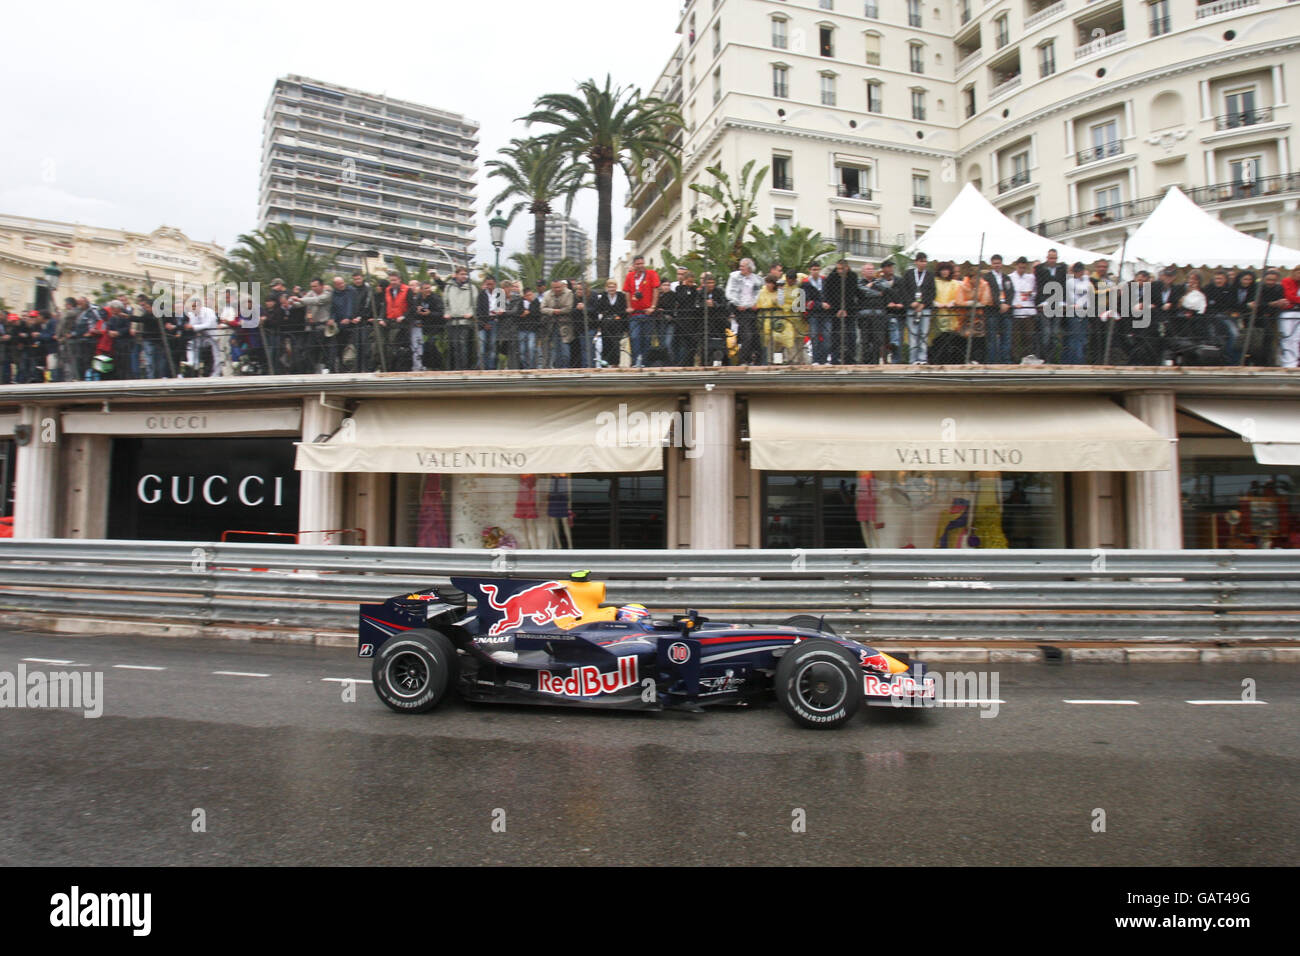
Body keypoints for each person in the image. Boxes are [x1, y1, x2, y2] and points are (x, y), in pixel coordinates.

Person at [892, 253, 935, 364]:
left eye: (925, 261)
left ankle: (922, 358)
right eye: (921, 261)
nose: (923, 263)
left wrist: (923, 304)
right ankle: (913, 359)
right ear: (916, 262)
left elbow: (932, 292)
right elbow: (904, 290)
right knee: (913, 334)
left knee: (924, 334)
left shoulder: (930, 275)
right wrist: (911, 303)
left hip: (925, 308)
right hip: (912, 308)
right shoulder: (909, 274)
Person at [623, 256, 661, 368]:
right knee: (634, 337)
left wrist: (653, 306)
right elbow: (627, 292)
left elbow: (656, 289)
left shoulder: (651, 274)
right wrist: (629, 306)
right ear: (634, 265)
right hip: (634, 314)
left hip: (647, 313)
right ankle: (635, 361)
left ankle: (645, 362)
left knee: (647, 338)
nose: (640, 265)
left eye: (641, 263)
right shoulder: (630, 276)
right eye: (637, 264)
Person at [725, 257, 763, 365]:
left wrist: (756, 303)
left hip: (752, 310)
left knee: (754, 334)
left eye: (743, 266)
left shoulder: (756, 279)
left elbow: (758, 293)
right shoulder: (735, 277)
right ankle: (743, 360)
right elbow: (730, 292)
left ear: (749, 268)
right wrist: (737, 304)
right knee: (747, 334)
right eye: (740, 266)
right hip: (740, 310)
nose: (740, 268)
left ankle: (755, 359)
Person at [1034, 248, 1068, 361]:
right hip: (1045, 304)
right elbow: (1040, 286)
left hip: (1058, 304)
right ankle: (1044, 358)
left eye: (1054, 258)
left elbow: (1063, 286)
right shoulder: (1040, 268)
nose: (1052, 260)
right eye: (1050, 258)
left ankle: (1054, 358)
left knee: (1055, 333)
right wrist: (1042, 302)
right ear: (1047, 258)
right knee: (1046, 333)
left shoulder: (1062, 269)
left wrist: (1063, 302)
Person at [441, 267, 476, 370]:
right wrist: (447, 313)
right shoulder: (449, 287)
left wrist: (470, 313)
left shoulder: (471, 287)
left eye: (465, 274)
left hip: (465, 321)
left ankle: (464, 368)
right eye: (462, 274)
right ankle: (455, 368)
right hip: (452, 321)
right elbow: (445, 302)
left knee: (463, 345)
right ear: (456, 275)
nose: (464, 276)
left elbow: (474, 303)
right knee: (454, 346)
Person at [1062, 262, 1094, 365]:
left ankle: (1079, 359)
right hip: (1074, 311)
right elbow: (1071, 297)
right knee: (1074, 337)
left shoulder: (1086, 280)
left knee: (1082, 338)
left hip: (1084, 311)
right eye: (1077, 272)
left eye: (1081, 272)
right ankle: (1074, 360)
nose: (1079, 274)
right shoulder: (1070, 282)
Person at [590, 279, 627, 369]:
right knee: (606, 343)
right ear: (607, 288)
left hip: (618, 324)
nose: (611, 289)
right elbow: (599, 308)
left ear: (616, 287)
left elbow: (623, 309)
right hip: (606, 324)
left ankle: (615, 363)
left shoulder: (621, 296)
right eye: (609, 287)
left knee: (616, 343)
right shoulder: (603, 296)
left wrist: (618, 315)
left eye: (613, 286)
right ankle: (605, 363)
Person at [930, 261, 962, 362]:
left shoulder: (954, 283)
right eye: (942, 270)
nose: (944, 272)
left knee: (949, 338)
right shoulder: (934, 281)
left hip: (951, 315)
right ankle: (937, 359)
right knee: (938, 338)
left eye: (946, 270)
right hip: (937, 315)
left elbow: (958, 296)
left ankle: (948, 360)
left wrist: (952, 303)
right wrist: (936, 304)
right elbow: (929, 294)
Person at [540, 279, 575, 369]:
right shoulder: (547, 294)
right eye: (555, 288)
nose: (557, 289)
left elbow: (568, 308)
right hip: (551, 325)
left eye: (559, 287)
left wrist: (554, 311)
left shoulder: (569, 293)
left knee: (565, 350)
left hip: (565, 325)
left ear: (562, 286)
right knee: (556, 349)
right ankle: (557, 368)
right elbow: (542, 308)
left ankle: (565, 369)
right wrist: (554, 311)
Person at [1008, 257, 1037, 361]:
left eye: (1024, 268)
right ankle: (1015, 359)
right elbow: (1009, 294)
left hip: (1028, 311)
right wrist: (1014, 304)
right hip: (1016, 311)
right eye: (1020, 267)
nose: (1022, 270)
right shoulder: (1010, 277)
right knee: (1016, 338)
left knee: (1028, 337)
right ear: (1016, 266)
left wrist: (1030, 293)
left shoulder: (1030, 278)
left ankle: (1027, 358)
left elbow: (1035, 293)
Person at [412, 281, 445, 371]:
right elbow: (414, 311)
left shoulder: (436, 298)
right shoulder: (417, 298)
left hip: (436, 327)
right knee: (423, 347)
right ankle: (425, 366)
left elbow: (441, 313)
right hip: (423, 328)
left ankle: (437, 367)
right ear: (421, 290)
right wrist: (418, 312)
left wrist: (430, 313)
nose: (428, 290)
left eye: (429, 287)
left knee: (433, 346)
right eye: (426, 288)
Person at [475, 275, 504, 371]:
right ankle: (481, 366)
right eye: (488, 284)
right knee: (482, 345)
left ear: (495, 284)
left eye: (491, 284)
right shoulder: (482, 294)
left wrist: (499, 312)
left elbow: (501, 308)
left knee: (492, 346)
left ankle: (491, 367)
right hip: (483, 322)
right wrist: (484, 324)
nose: (489, 286)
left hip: (495, 321)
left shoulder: (499, 293)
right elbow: (479, 311)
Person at [1279, 265, 1300, 368]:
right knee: (1287, 337)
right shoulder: (1287, 281)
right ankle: (1288, 362)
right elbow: (1289, 296)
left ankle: (1295, 362)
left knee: (1296, 338)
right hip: (1288, 311)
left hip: (1298, 311)